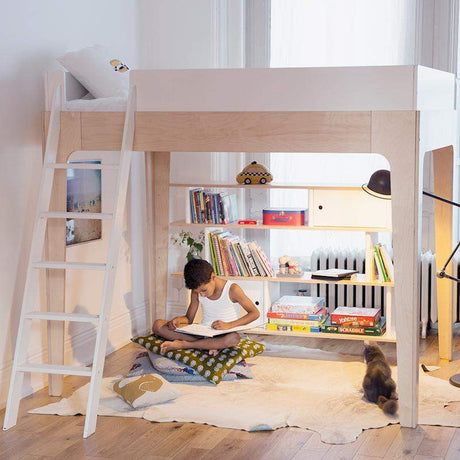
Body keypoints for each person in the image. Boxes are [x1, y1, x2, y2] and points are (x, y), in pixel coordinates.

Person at [152, 258, 260, 353]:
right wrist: (178, 320)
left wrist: (229, 325)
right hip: (202, 332)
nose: (202, 294)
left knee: (234, 339)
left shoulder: (232, 289)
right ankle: (208, 345)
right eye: (198, 292)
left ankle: (185, 345)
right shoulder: (196, 291)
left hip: (223, 334)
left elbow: (255, 313)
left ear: (213, 277)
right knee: (158, 325)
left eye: (204, 290)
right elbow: (189, 319)